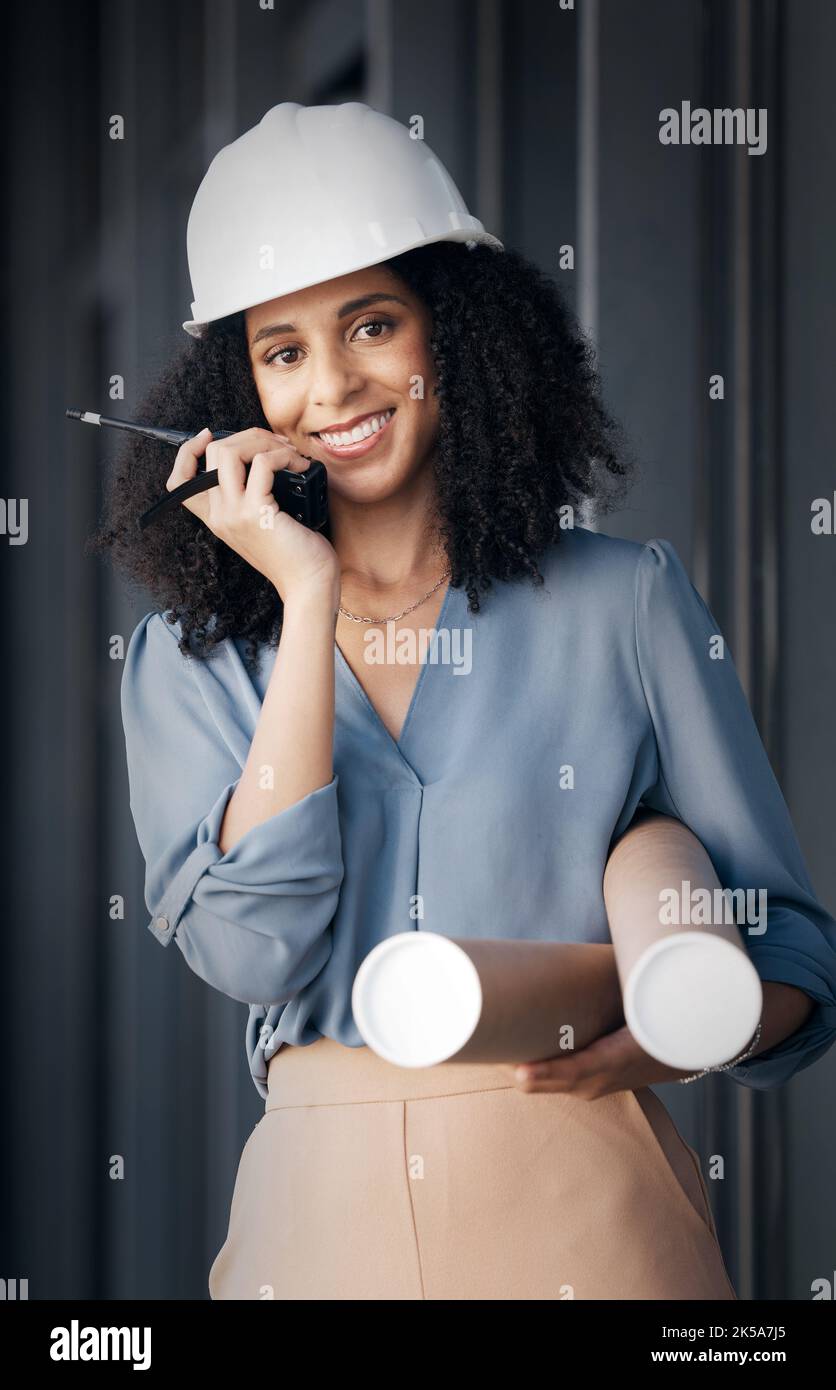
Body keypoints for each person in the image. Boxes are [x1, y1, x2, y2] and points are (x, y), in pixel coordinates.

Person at [91, 102, 836, 1300]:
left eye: (372, 324)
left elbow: (795, 950)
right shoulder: (191, 659)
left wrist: (687, 1018)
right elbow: (251, 945)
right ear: (237, 389)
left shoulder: (622, 605)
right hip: (317, 1236)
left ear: (460, 330)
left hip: (590, 1209)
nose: (331, 386)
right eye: (282, 351)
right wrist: (306, 591)